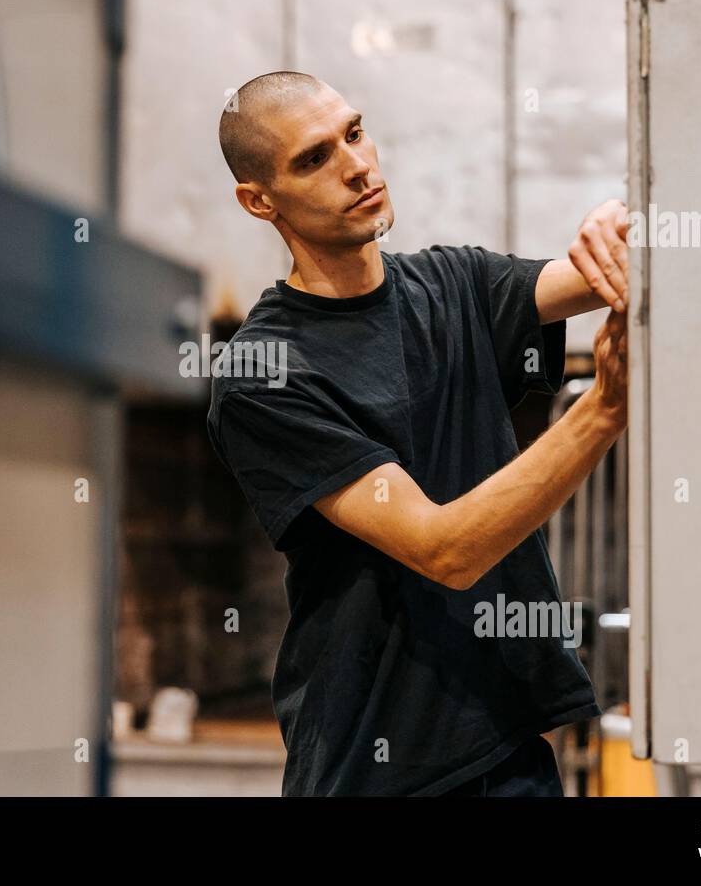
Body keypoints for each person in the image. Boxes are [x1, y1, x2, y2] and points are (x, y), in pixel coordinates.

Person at [207, 71, 630, 796]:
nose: (357, 166)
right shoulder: (264, 374)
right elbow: (446, 549)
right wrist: (603, 412)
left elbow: (599, 274)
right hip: (380, 771)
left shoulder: (455, 285)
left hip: (509, 750)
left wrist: (624, 222)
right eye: (314, 159)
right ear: (259, 200)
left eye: (354, 131)